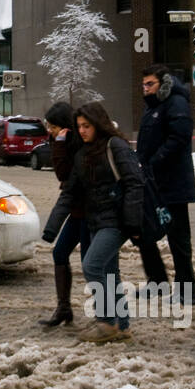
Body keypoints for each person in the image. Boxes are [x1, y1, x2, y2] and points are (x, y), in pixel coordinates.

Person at [49, 102, 141, 343]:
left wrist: (132, 223)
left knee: (92, 265)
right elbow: (69, 191)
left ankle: (107, 322)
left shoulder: (116, 146)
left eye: (86, 126)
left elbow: (134, 182)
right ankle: (122, 327)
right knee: (110, 274)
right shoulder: (83, 154)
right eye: (79, 126)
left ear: (99, 124)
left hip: (117, 221)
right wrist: (52, 227)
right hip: (97, 220)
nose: (82, 131)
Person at [137, 65, 195, 304]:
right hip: (151, 184)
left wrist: (155, 160)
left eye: (150, 84)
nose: (146, 89)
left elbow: (179, 137)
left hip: (172, 184)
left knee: (178, 240)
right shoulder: (153, 107)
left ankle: (186, 291)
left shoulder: (176, 103)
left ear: (164, 83)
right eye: (143, 85)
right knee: (144, 234)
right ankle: (157, 282)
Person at [37, 101, 91, 328]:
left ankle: (107, 316)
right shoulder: (64, 141)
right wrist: (57, 141)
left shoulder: (79, 144)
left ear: (64, 126)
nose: (50, 131)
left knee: (91, 263)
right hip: (77, 211)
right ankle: (64, 308)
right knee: (60, 253)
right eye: (48, 127)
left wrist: (59, 143)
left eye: (53, 127)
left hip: (90, 212)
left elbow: (63, 173)